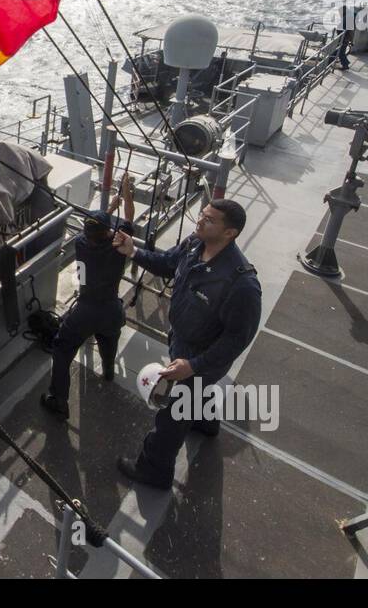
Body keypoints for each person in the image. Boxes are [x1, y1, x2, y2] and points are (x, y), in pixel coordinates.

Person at [111, 199, 262, 489]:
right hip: (182, 343)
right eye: (202, 214)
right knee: (196, 399)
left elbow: (236, 339)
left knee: (170, 420)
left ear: (230, 233)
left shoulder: (241, 284)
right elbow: (168, 264)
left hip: (202, 359)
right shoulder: (194, 245)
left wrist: (194, 365)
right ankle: (205, 424)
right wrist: (135, 252)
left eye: (210, 220)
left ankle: (154, 471)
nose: (200, 221)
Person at [39, 174, 136, 419]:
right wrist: (125, 191)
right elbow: (129, 216)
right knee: (109, 339)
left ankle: (58, 399)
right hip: (111, 308)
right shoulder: (118, 244)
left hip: (85, 309)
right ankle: (108, 371)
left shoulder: (82, 243)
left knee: (62, 349)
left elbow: (100, 225)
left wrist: (110, 206)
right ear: (108, 231)